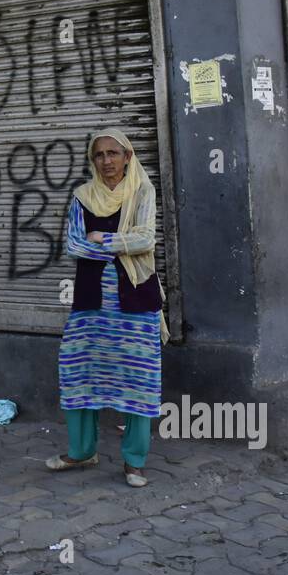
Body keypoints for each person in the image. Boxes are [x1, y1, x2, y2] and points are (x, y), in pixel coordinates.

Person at [46, 127, 169, 488]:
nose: (107, 161)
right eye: (99, 155)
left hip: (136, 297)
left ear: (128, 156)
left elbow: (147, 239)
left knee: (139, 377)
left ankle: (134, 461)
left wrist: (105, 238)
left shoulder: (143, 191)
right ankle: (82, 450)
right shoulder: (82, 196)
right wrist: (121, 244)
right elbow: (73, 245)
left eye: (114, 153)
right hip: (91, 300)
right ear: (92, 160)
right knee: (77, 369)